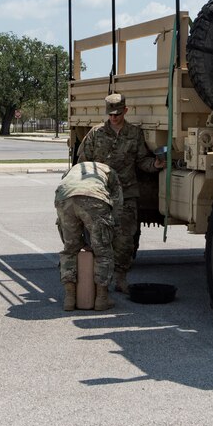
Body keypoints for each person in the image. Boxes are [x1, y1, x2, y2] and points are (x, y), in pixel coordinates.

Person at [76, 93, 165, 293]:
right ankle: (100, 281)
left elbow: (141, 161)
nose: (114, 118)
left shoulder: (134, 133)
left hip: (126, 193)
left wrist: (155, 165)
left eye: (117, 114)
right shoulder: (96, 133)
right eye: (111, 114)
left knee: (125, 239)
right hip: (101, 193)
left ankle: (121, 277)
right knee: (100, 238)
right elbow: (83, 163)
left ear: (125, 111)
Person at [55, 161, 123, 311]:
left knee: (70, 250)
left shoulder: (73, 169)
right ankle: (101, 299)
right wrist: (111, 229)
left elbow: (64, 184)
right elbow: (117, 203)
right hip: (93, 197)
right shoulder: (109, 171)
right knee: (103, 252)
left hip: (64, 198)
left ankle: (69, 298)